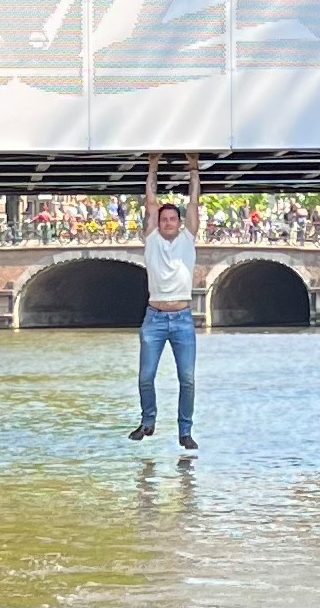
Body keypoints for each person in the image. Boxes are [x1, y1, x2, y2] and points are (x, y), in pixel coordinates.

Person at [129, 152, 200, 450]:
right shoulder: (152, 239)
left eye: (173, 219)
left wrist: (193, 169)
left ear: (180, 222)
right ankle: (148, 421)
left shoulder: (188, 239)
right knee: (146, 377)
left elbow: (195, 202)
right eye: (164, 219)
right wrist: (152, 167)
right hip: (155, 318)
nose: (168, 222)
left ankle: (185, 431)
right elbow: (150, 201)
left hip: (182, 318)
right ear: (157, 223)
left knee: (187, 379)